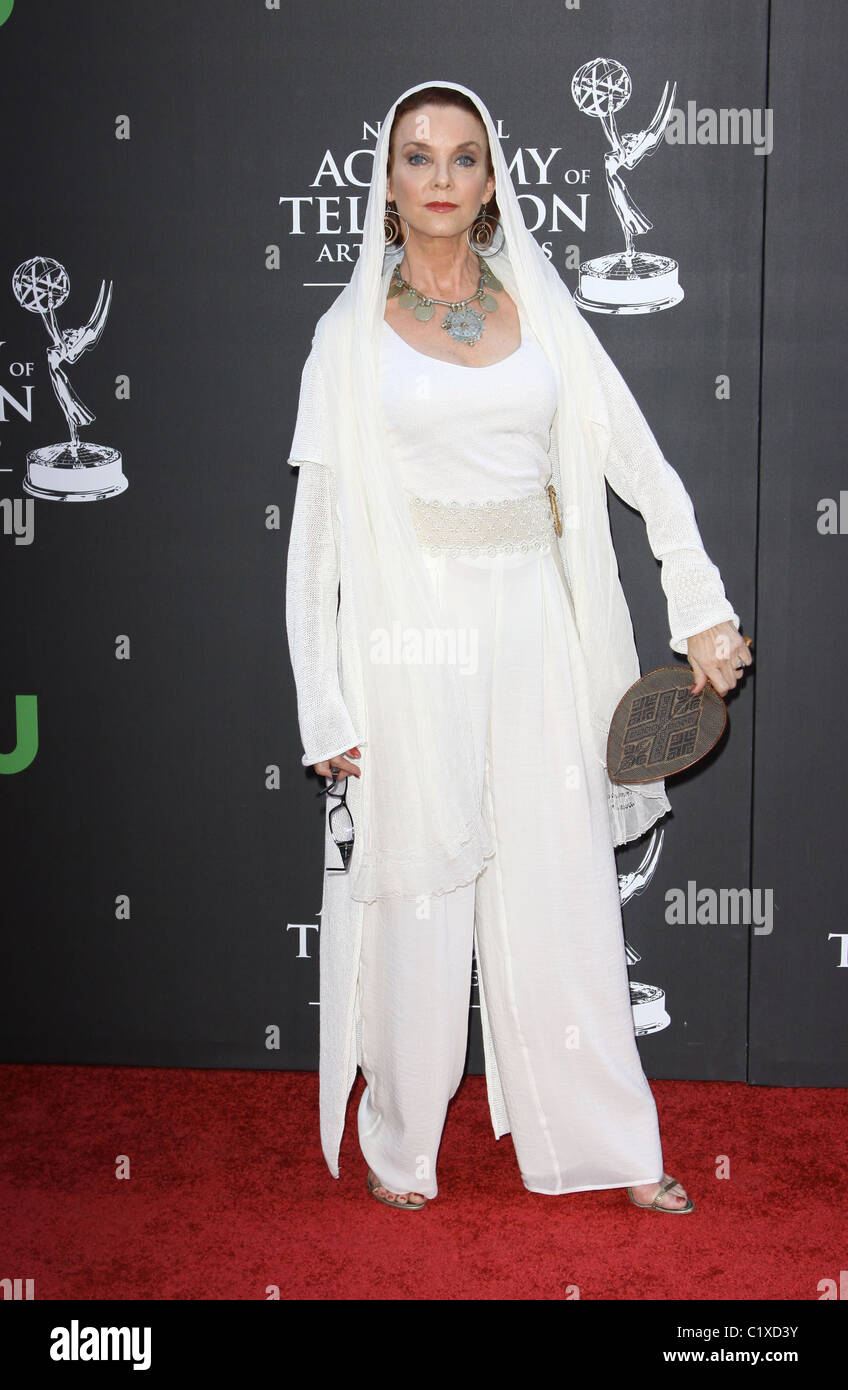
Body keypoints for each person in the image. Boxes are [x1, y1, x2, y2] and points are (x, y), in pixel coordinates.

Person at [285, 80, 752, 1214]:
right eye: (415, 157)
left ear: (491, 183)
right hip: (408, 639)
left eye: (461, 157)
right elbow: (317, 542)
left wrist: (698, 603)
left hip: (538, 624)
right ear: (387, 185)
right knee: (421, 887)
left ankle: (607, 1141)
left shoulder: (542, 310)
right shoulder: (346, 336)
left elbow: (637, 462)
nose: (439, 176)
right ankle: (403, 1145)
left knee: (563, 887)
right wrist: (325, 705)